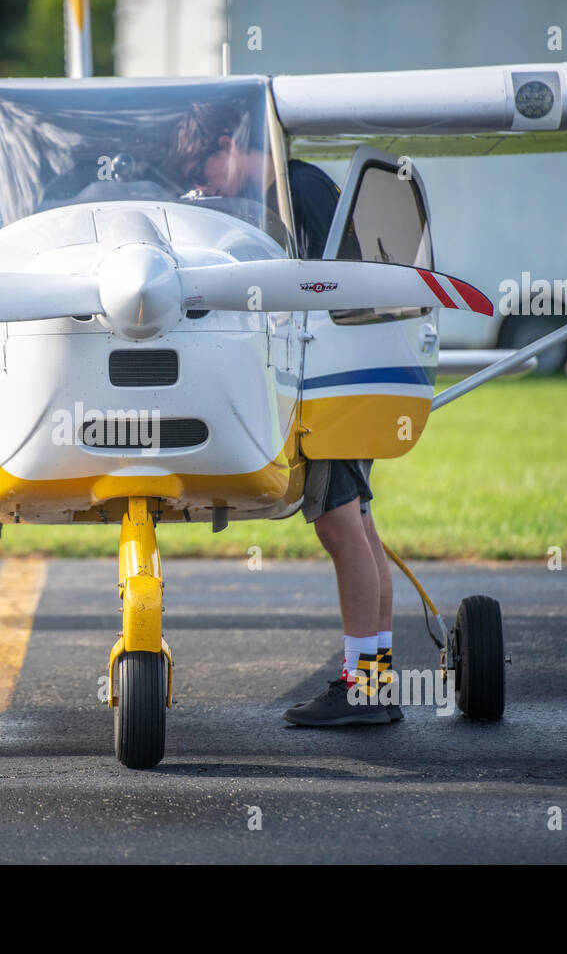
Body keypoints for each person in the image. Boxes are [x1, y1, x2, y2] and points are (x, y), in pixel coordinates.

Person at [172, 104, 401, 726]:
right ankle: (374, 682)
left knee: (338, 527)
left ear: (229, 142)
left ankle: (365, 689)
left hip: (329, 381)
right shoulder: (303, 183)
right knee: (358, 525)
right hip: (349, 373)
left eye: (205, 169)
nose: (208, 185)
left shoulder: (291, 194)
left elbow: (321, 290)